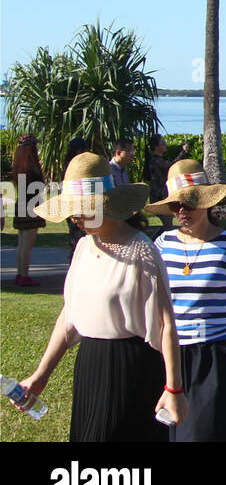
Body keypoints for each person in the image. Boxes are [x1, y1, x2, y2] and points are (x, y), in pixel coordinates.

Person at [14, 152, 187, 440]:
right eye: (73, 213)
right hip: (90, 366)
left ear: (103, 205)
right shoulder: (83, 247)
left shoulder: (141, 251)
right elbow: (69, 317)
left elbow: (166, 324)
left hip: (130, 369)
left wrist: (174, 389)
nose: (77, 220)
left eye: (82, 211)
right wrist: (40, 376)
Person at [148, 161, 226, 441]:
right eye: (176, 206)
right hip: (170, 352)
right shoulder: (162, 244)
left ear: (206, 203)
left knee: (208, 431)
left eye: (188, 204)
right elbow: (150, 301)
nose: (182, 212)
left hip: (215, 353)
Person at [10, 134, 46, 287]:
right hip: (32, 206)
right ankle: (25, 275)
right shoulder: (32, 167)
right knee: (27, 245)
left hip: (21, 204)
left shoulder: (19, 166)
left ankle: (20, 273)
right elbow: (40, 187)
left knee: (21, 243)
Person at [145, 134, 173, 233]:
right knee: (168, 226)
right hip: (159, 198)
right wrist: (183, 152)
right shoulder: (156, 161)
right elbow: (172, 166)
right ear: (157, 147)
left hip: (162, 197)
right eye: (163, 143)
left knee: (168, 224)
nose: (165, 145)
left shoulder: (157, 160)